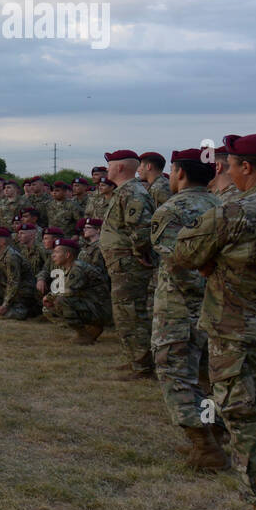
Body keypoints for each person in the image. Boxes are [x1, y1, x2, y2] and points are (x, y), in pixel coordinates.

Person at [171, 134, 256, 510]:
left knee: (244, 420)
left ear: (247, 168)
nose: (227, 170)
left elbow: (183, 254)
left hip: (237, 332)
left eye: (232, 164)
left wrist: (211, 263)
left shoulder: (234, 212)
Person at [150, 148, 225, 470]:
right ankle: (214, 430)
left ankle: (204, 444)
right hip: (219, 307)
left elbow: (179, 263)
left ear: (179, 173)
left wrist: (194, 306)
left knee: (175, 373)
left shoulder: (171, 210)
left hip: (180, 310)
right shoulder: (221, 205)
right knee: (205, 378)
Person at [99, 150, 156, 379]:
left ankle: (142, 365)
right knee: (126, 312)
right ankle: (136, 359)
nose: (107, 170)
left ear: (120, 167)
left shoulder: (133, 192)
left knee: (131, 313)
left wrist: (140, 252)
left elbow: (141, 229)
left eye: (110, 165)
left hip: (128, 264)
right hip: (121, 263)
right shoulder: (124, 191)